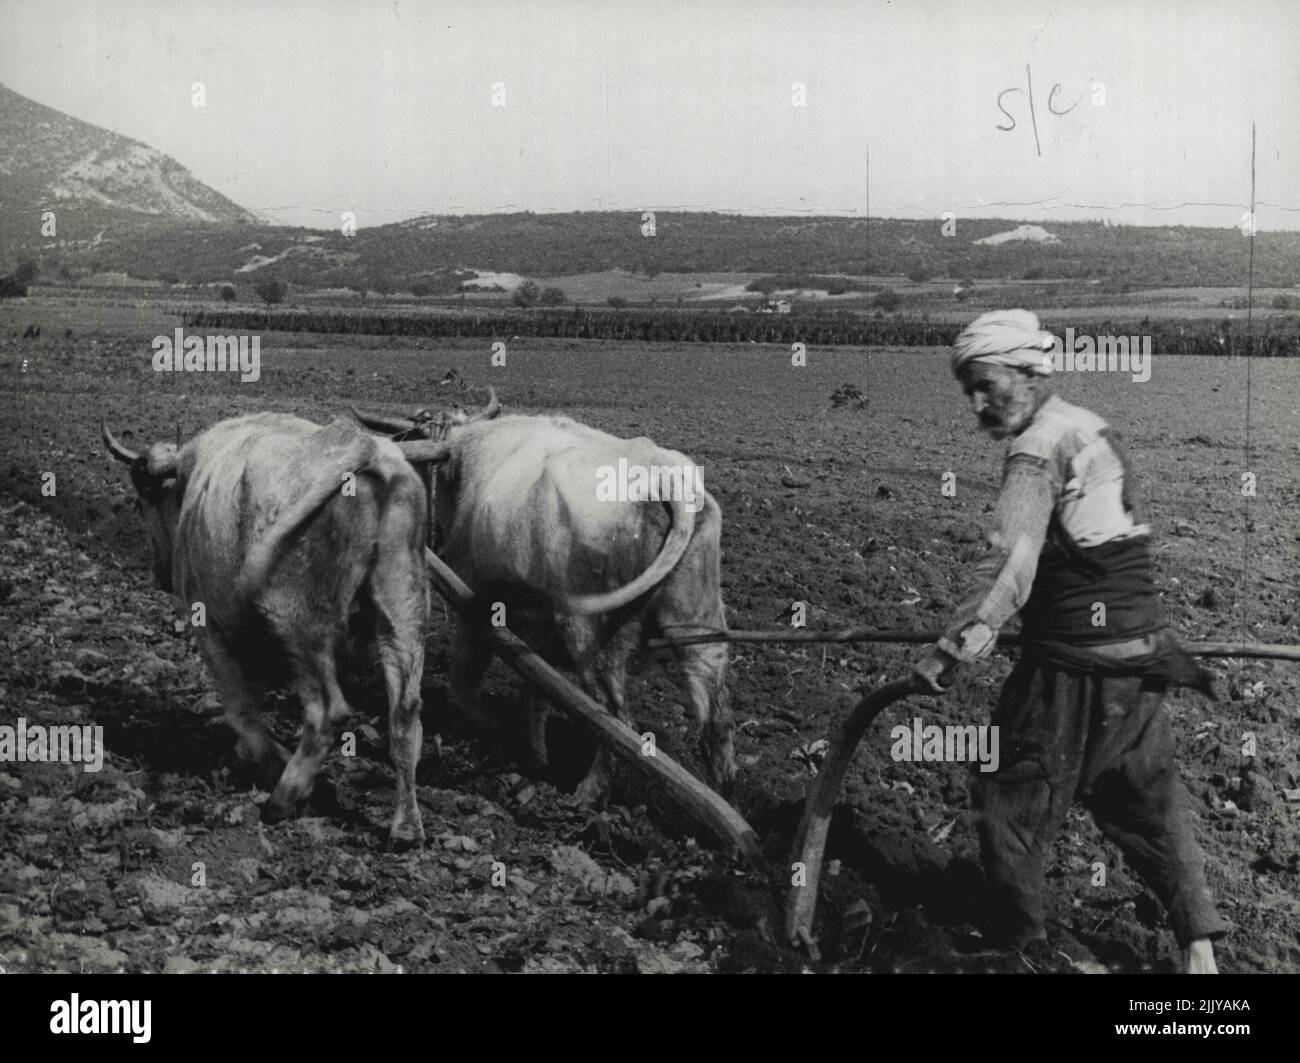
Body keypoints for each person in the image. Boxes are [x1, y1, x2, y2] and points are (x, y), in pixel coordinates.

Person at [913, 309, 1226, 974]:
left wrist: (949, 648)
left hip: (1072, 665)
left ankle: (1023, 947)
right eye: (968, 388)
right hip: (1139, 656)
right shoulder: (1087, 425)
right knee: (1146, 802)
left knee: (1007, 795)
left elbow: (1010, 565)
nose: (976, 403)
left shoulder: (1035, 450)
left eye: (986, 384)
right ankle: (1200, 952)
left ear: (1028, 374)